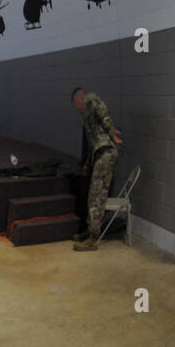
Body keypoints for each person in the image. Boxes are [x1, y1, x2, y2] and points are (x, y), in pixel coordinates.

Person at [72, 87, 123, 252]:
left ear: (78, 100)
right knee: (92, 194)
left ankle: (93, 238)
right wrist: (87, 163)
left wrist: (111, 132)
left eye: (76, 105)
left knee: (96, 195)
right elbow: (91, 143)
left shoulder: (90, 99)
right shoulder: (87, 119)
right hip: (99, 154)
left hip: (106, 152)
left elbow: (103, 111)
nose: (77, 109)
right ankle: (90, 230)